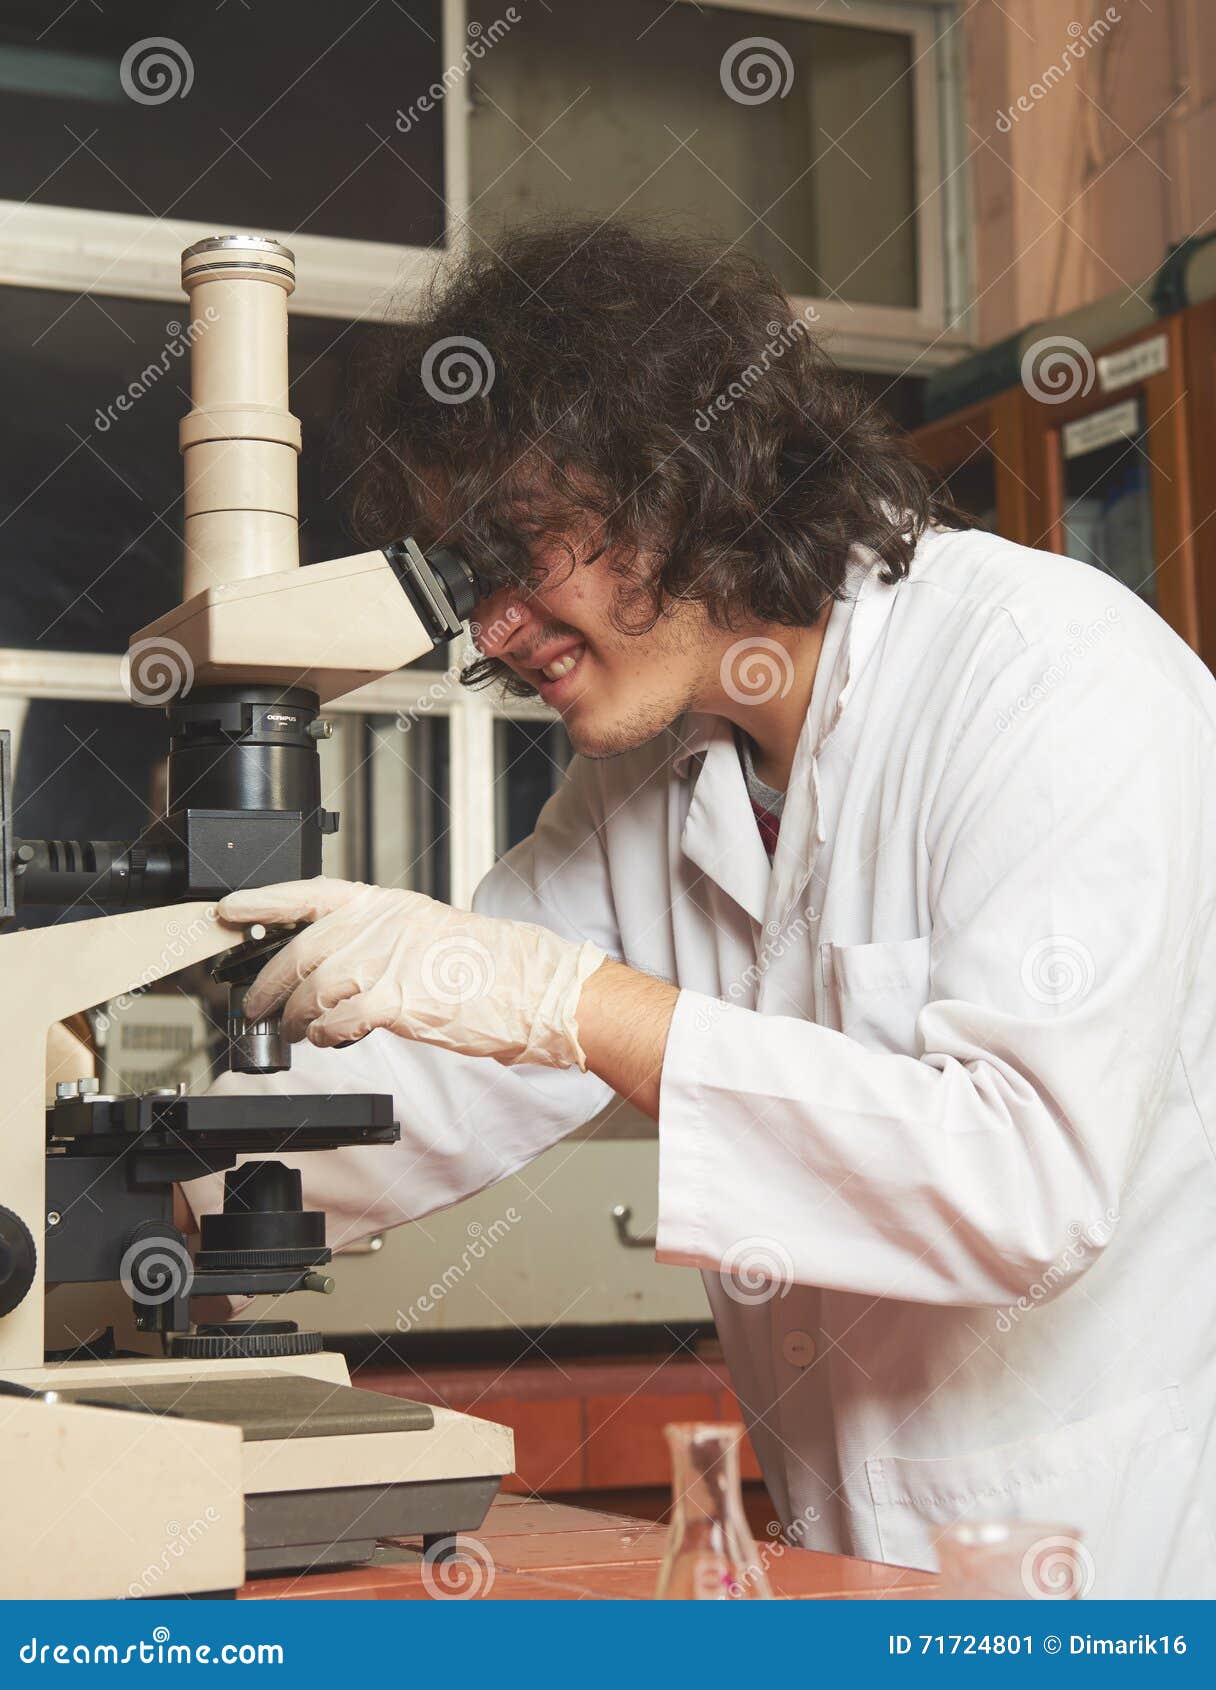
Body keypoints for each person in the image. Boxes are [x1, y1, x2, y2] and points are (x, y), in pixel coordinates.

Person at [188, 221, 1216, 1598]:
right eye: (467, 578)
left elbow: (1026, 1182)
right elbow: (429, 1079)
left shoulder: (1052, 679)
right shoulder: (650, 776)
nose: (492, 630)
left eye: (520, 552)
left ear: (678, 478)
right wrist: (120, 1171)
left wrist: (586, 1008)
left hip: (1097, 1562)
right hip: (837, 1565)